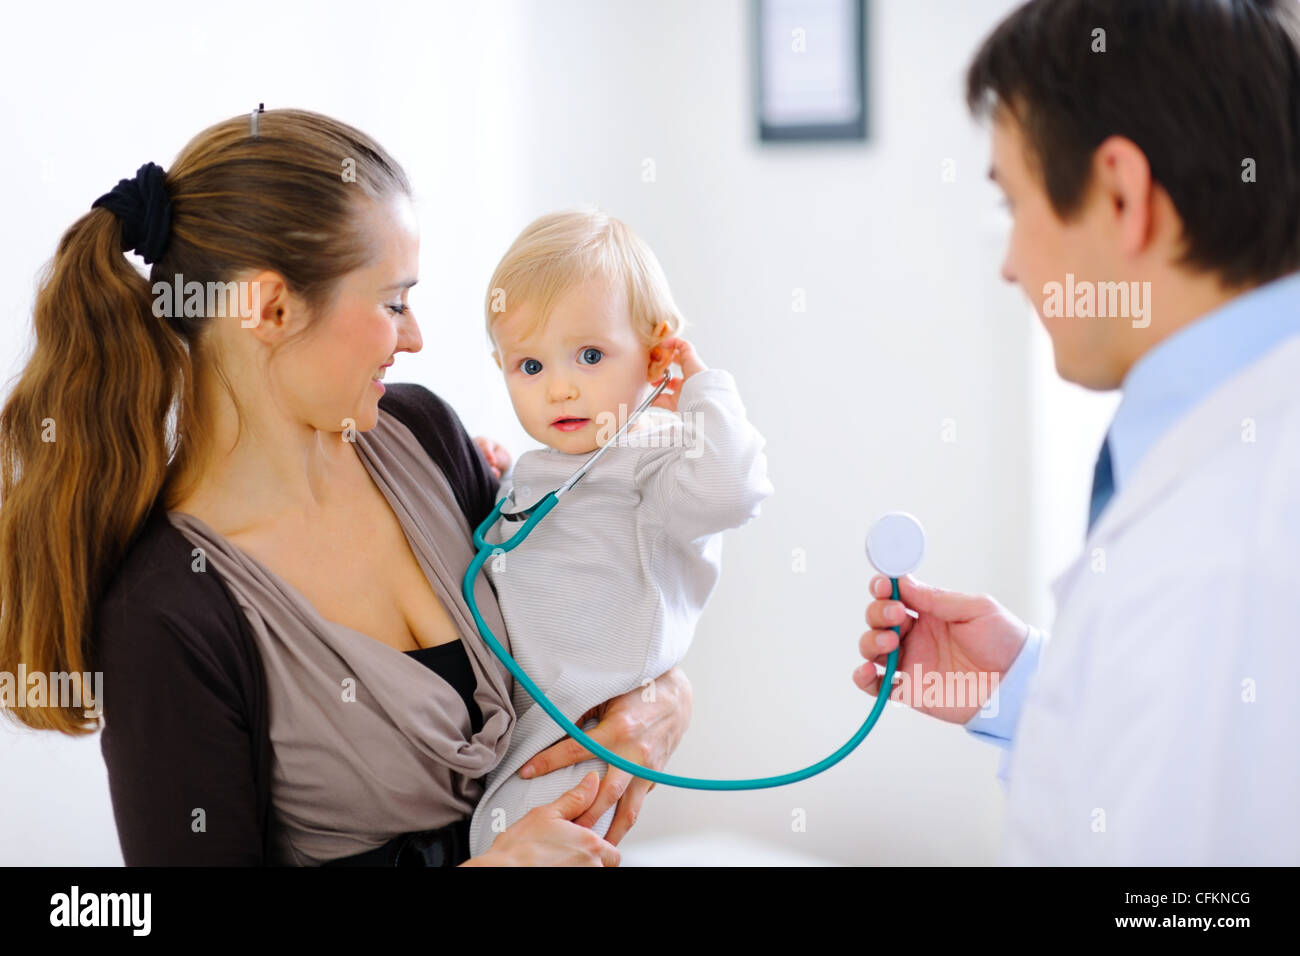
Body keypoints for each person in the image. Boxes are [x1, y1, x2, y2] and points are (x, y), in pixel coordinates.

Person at [0, 107, 693, 866]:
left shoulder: (426, 437)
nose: (415, 335)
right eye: (393, 301)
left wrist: (662, 697)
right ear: (270, 309)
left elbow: (584, 613)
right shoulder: (168, 615)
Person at [855, 0, 1300, 864]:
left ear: (1124, 195)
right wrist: (1034, 689)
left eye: (1014, 203)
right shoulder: (1227, 463)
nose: (1010, 262)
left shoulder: (1237, 545)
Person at [466, 208, 773, 857]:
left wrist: (701, 389)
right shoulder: (545, 466)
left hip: (584, 735)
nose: (560, 388)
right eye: (529, 367)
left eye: (589, 354)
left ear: (657, 351)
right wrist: (497, 485)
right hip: (521, 726)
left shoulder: (656, 458)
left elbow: (733, 490)